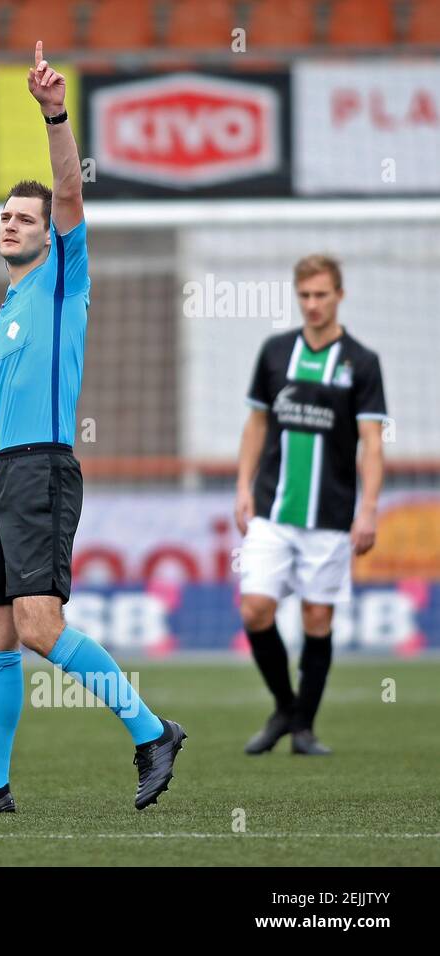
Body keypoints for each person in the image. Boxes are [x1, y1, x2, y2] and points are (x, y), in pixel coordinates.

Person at [0, 43, 186, 816]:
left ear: (48, 230)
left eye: (24, 217)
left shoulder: (63, 276)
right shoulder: (6, 307)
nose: (11, 224)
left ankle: (152, 729)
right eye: (3, 215)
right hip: (4, 472)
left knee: (39, 625)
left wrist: (54, 114)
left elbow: (69, 187)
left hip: (42, 469)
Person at [235, 254, 386, 756]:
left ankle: (303, 729)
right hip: (272, 510)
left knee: (317, 620)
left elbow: (372, 442)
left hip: (331, 515)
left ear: (339, 294)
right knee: (256, 609)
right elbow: (256, 424)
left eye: (322, 294)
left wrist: (368, 510)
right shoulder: (276, 352)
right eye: (305, 295)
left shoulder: (361, 362)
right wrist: (242, 487)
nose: (313, 304)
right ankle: (285, 707)